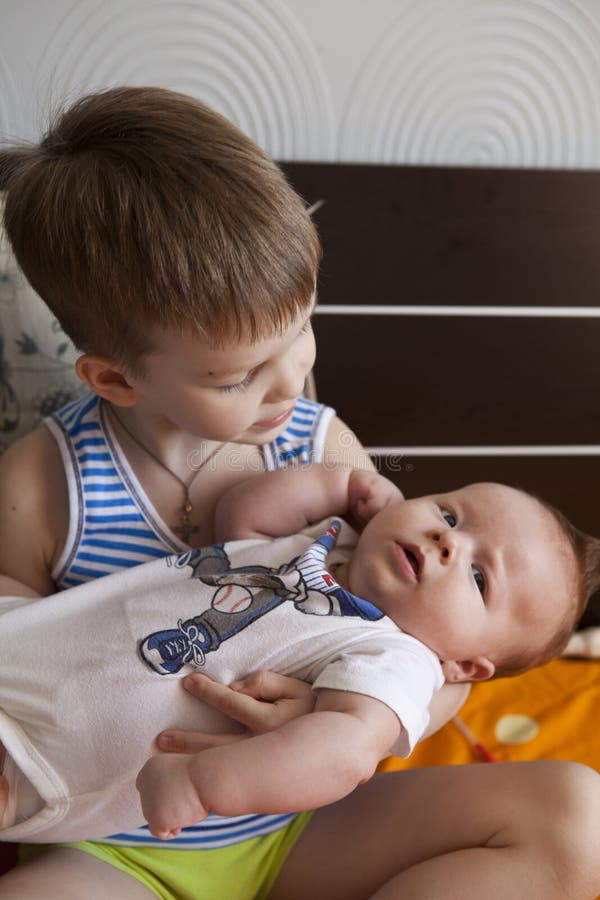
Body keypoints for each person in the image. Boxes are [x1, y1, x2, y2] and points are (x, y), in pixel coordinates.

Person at [0, 85, 597, 897]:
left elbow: (441, 663)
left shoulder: (319, 448)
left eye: (302, 327)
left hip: (305, 826)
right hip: (119, 842)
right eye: (243, 373)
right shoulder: (42, 486)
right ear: (117, 376)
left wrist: (337, 721)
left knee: (576, 819)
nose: (290, 383)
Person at [0, 467, 599, 898]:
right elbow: (240, 520)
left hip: (228, 814)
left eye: (477, 576)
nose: (448, 540)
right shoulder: (328, 538)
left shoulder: (399, 654)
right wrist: (335, 486)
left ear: (465, 666)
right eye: (448, 513)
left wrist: (202, 782)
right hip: (100, 837)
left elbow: (344, 752)